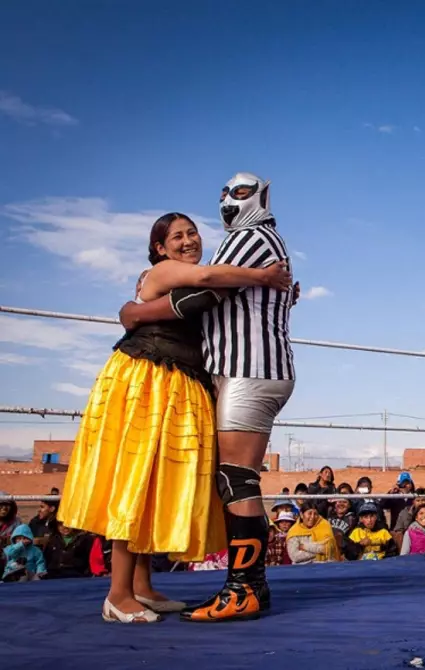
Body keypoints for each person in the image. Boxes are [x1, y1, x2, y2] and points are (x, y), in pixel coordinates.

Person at [61, 211, 291, 623]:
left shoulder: (188, 276)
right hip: (149, 378)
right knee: (136, 481)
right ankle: (117, 594)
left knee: (155, 485)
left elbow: (212, 299)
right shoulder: (165, 272)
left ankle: (142, 586)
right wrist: (263, 277)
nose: (188, 241)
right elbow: (205, 285)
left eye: (193, 233)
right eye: (177, 236)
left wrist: (283, 294)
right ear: (159, 248)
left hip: (176, 382)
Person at [119, 174, 297, 623]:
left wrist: (134, 310)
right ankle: (241, 589)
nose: (226, 200)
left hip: (249, 370)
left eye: (237, 192)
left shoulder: (251, 237)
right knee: (232, 478)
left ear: (260, 196)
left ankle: (245, 590)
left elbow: (205, 285)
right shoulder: (250, 242)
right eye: (222, 192)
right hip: (241, 371)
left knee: (238, 479)